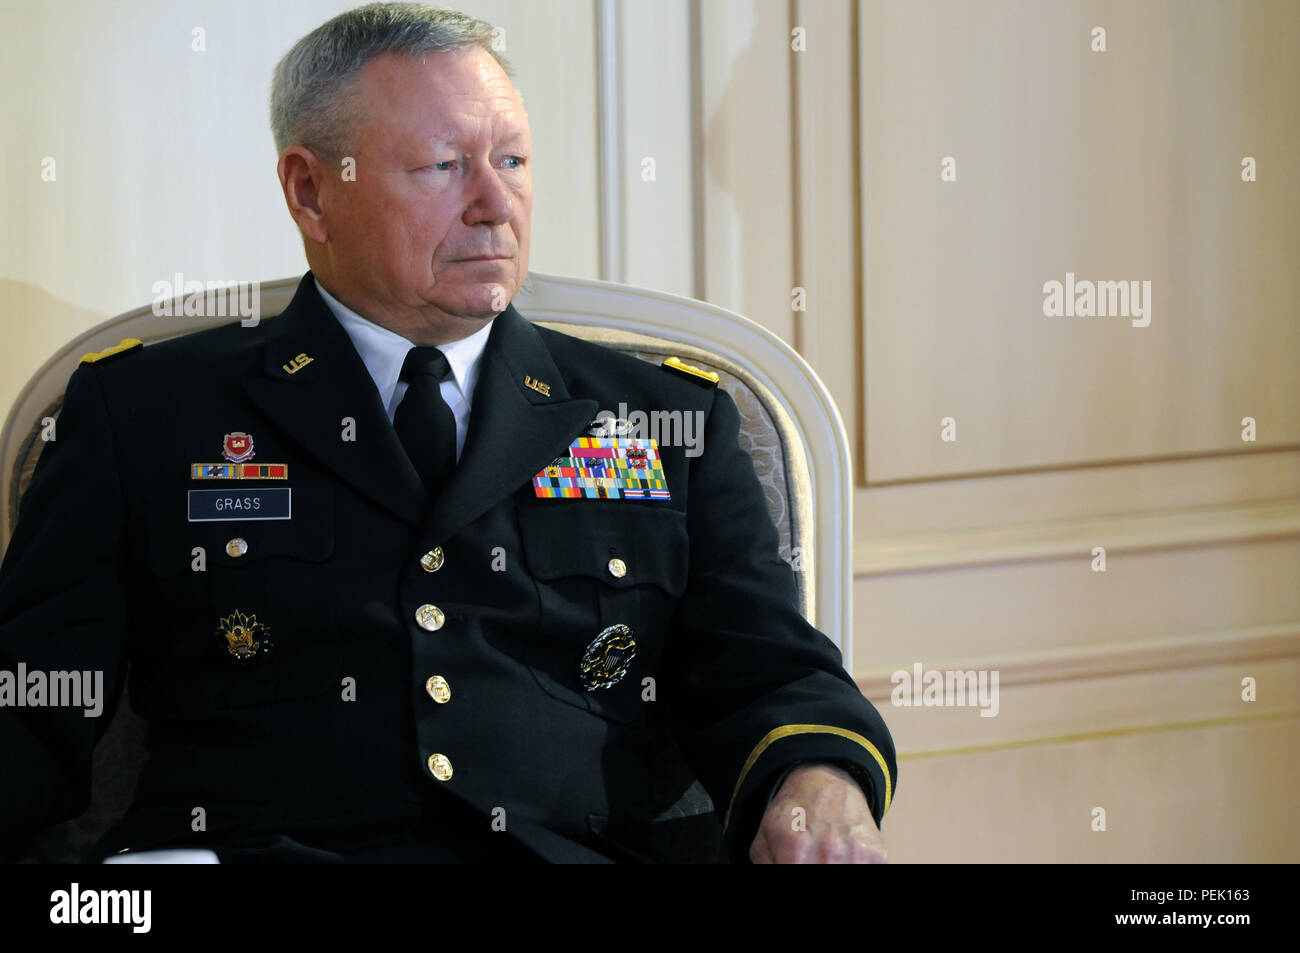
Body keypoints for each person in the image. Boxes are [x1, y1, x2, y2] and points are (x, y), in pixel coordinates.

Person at [0, 2, 895, 864]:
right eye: (441, 167)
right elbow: (31, 705)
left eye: (511, 159)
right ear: (311, 192)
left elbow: (771, 670)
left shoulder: (665, 420)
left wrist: (817, 777)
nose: (494, 204)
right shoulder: (147, 412)